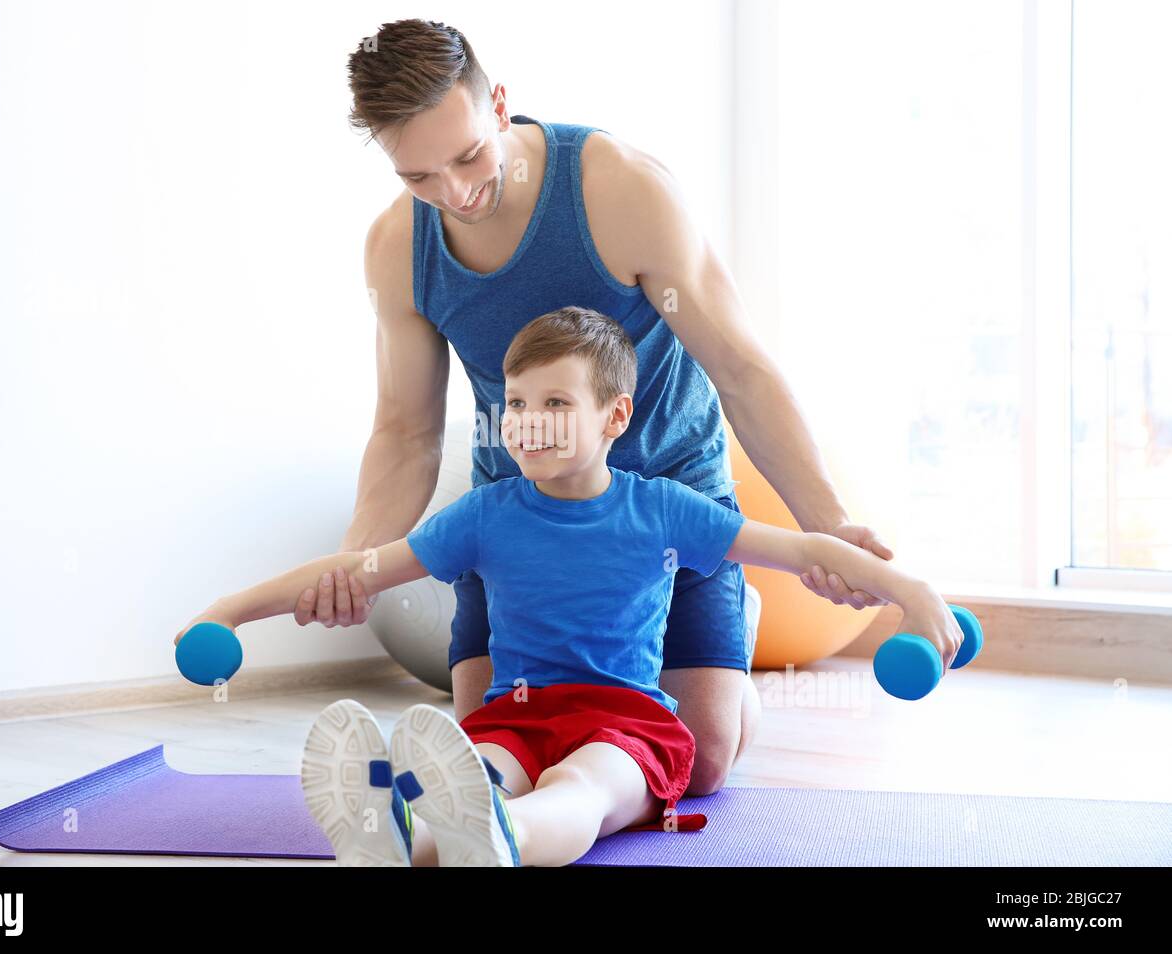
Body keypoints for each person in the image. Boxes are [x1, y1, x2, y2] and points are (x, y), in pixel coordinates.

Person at [289, 19, 897, 796]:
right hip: (522, 520)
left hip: (667, 506)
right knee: (498, 748)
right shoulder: (396, 248)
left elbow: (740, 369)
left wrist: (828, 529)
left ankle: (727, 634)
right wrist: (358, 563)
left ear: (499, 104)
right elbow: (405, 432)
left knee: (696, 764)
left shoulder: (619, 188)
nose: (456, 193)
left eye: (469, 156)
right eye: (419, 177)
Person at [175, 308, 965, 867]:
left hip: (627, 725)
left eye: (556, 403)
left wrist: (914, 596)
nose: (528, 422)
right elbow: (363, 571)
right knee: (481, 769)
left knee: (583, 787)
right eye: (516, 404)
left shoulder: (661, 508)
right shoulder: (483, 515)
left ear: (614, 416)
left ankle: (501, 843)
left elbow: (800, 550)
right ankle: (395, 839)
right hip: (517, 716)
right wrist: (231, 612)